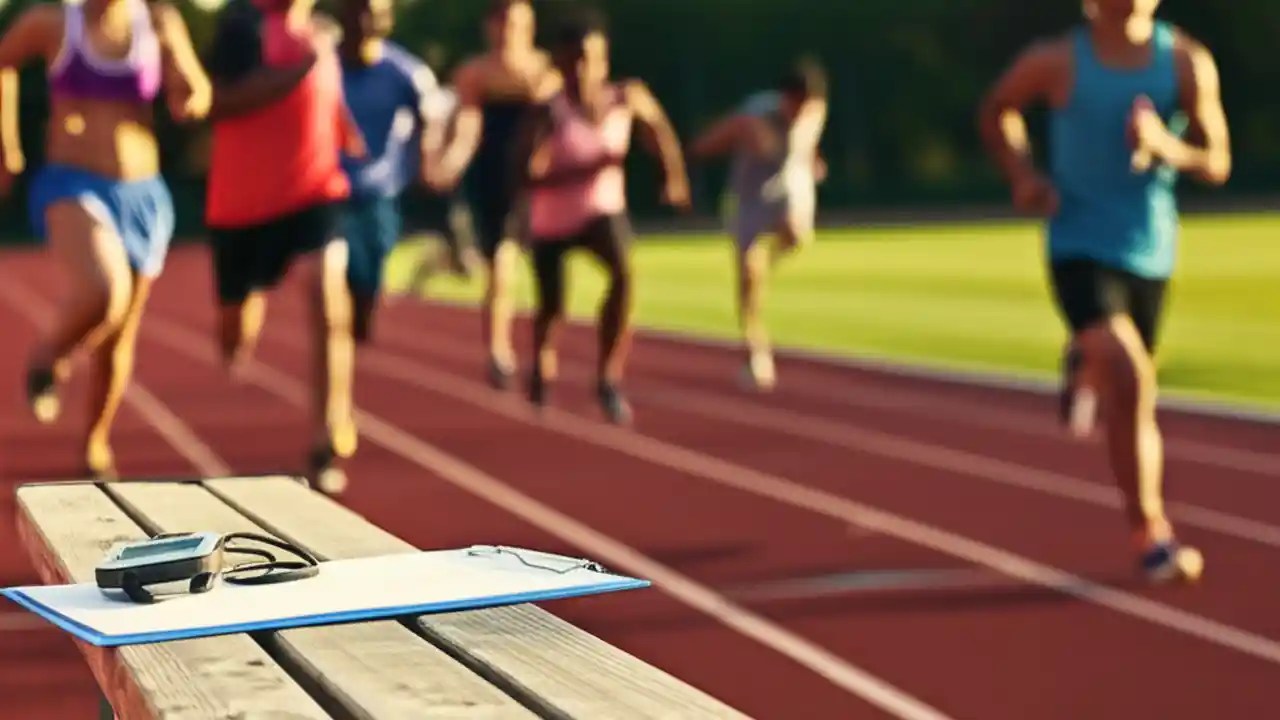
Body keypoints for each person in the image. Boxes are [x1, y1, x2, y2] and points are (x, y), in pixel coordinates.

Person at [978, 0, 1230, 583]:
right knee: (1133, 373)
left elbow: (1218, 160)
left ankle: (1083, 362)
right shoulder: (1057, 61)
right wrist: (1023, 175)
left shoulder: (1187, 63)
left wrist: (1169, 149)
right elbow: (997, 110)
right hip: (1077, 242)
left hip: (1149, 248)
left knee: (1128, 396)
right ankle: (1152, 533)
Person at [0, 0, 210, 478]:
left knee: (118, 339)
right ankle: (48, 355)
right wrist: (6, 142)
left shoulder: (159, 22)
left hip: (143, 193)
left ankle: (95, 442)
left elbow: (194, 85)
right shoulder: (50, 23)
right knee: (102, 291)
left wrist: (189, 95)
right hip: (71, 181)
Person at [204, 0, 366, 494]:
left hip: (315, 194)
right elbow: (218, 102)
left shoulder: (321, 33)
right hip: (244, 207)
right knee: (235, 330)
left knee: (328, 299)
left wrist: (347, 132)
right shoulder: (242, 26)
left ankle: (328, 431)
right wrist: (299, 70)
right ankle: (238, 333)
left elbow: (326, 98)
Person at [511, 9, 690, 426]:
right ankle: (541, 366)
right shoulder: (547, 113)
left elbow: (659, 130)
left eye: (589, 59)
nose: (580, 70)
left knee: (624, 273)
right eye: (572, 61)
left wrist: (673, 177)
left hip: (599, 210)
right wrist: (580, 169)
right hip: (552, 219)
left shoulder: (626, 97)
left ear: (604, 61)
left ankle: (608, 377)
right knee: (551, 306)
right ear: (558, 63)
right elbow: (525, 172)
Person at [424, 0, 560, 390]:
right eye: (502, 24)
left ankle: (543, 348)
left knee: (545, 267)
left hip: (539, 179)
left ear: (530, 26)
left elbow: (556, 125)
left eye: (517, 24)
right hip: (494, 176)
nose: (509, 33)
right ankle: (499, 349)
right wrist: (450, 162)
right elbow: (467, 124)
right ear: (489, 28)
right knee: (500, 264)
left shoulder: (546, 72)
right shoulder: (475, 73)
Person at [688, 60, 829, 391]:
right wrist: (694, 151)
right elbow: (730, 129)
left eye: (806, 107)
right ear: (784, 98)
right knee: (748, 280)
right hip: (749, 198)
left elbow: (807, 140)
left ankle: (765, 264)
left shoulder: (816, 112)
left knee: (795, 235)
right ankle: (756, 353)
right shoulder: (756, 114)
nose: (800, 114)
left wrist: (812, 158)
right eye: (795, 105)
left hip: (789, 189)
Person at [336, 0, 458, 343]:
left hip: (380, 191)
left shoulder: (404, 72)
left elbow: (432, 116)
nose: (362, 21)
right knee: (337, 267)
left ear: (385, 20)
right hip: (331, 189)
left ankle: (363, 314)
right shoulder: (322, 66)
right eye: (355, 11)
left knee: (371, 271)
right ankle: (337, 326)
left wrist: (428, 160)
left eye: (371, 13)